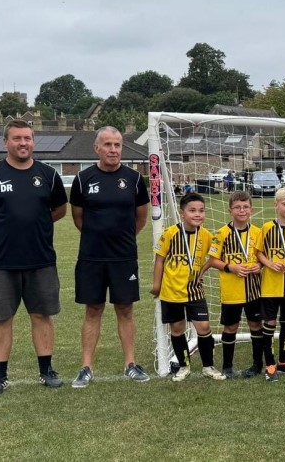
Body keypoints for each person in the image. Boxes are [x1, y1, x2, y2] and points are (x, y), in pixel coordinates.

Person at [0, 120, 68, 395]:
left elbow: (60, 209)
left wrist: (36, 225)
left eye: (27, 138)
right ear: (5, 142)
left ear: (33, 141)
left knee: (42, 315)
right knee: (1, 318)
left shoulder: (49, 175)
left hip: (41, 260)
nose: (23, 143)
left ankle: (46, 371)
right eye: (17, 138)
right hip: (2, 262)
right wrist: (2, 227)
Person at [69, 126, 151, 388]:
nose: (113, 149)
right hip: (91, 258)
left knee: (125, 309)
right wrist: (98, 238)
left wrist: (121, 239)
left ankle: (130, 364)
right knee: (93, 310)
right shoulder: (82, 179)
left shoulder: (134, 179)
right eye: (107, 144)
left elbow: (141, 218)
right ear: (97, 148)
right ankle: (86, 367)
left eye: (117, 145)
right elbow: (78, 218)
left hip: (124, 258)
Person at [150, 193, 225, 381]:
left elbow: (214, 258)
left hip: (194, 291)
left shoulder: (206, 236)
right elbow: (159, 260)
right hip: (171, 291)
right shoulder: (170, 233)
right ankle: (184, 366)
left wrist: (202, 271)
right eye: (192, 210)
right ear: (182, 213)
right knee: (177, 329)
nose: (197, 214)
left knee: (204, 326)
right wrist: (156, 285)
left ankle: (208, 366)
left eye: (201, 211)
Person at [203, 191, 267, 379]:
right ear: (230, 210)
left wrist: (260, 265)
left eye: (245, 207)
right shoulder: (221, 234)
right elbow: (213, 260)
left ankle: (257, 365)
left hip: (254, 290)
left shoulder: (258, 232)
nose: (242, 210)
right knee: (231, 327)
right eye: (237, 207)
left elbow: (264, 257)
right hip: (231, 291)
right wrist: (231, 267)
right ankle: (227, 367)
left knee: (256, 324)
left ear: (251, 210)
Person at [256, 187, 285, 377]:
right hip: (270, 286)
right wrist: (269, 264)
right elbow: (259, 252)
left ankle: (283, 360)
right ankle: (269, 363)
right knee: (270, 322)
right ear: (276, 205)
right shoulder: (267, 228)